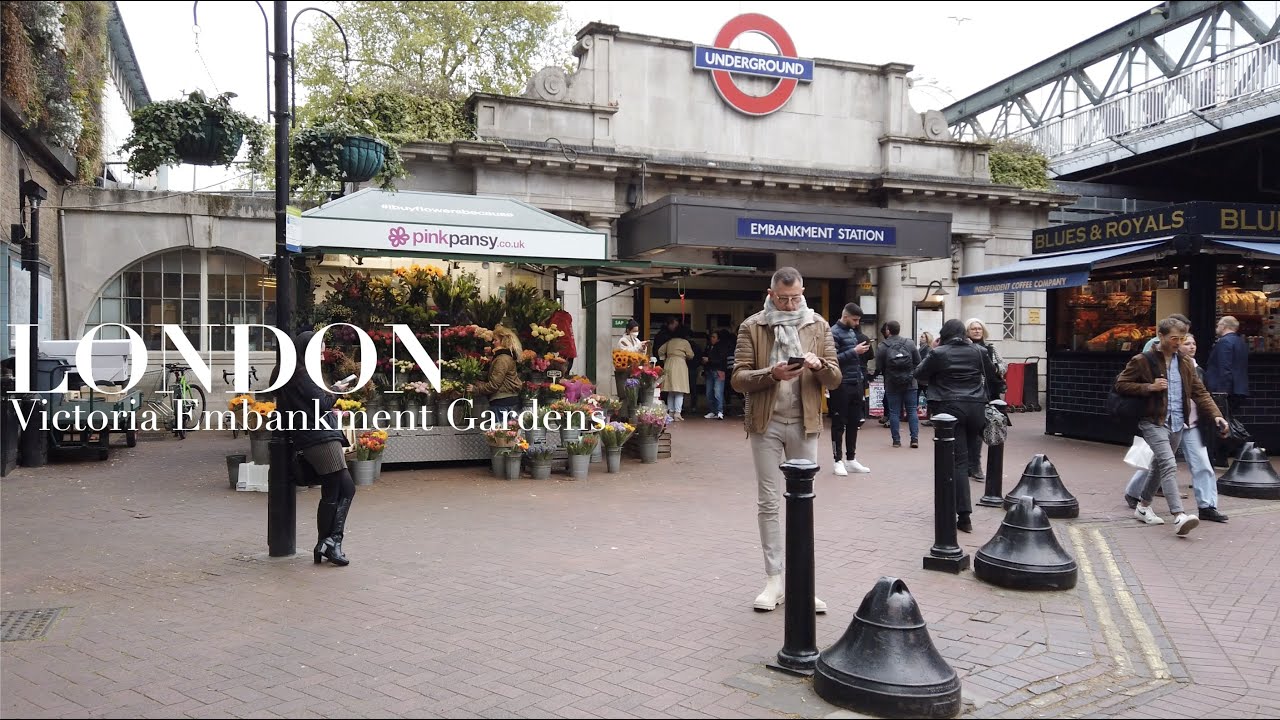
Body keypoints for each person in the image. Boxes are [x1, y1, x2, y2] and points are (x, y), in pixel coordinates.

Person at [732, 267, 841, 613]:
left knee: (803, 502)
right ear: (770, 292)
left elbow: (836, 378)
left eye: (795, 297)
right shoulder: (753, 325)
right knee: (768, 502)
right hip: (767, 423)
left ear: (803, 291)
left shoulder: (819, 325)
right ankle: (773, 580)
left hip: (805, 423)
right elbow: (738, 377)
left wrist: (819, 365)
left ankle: (802, 583)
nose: (791, 304)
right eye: (783, 298)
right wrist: (772, 373)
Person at [1116, 316, 1228, 537]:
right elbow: (1121, 384)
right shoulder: (1143, 360)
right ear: (1161, 335)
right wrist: (1149, 387)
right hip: (1153, 421)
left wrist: (1217, 415)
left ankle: (1143, 506)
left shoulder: (1185, 362)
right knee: (1169, 464)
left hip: (1178, 422)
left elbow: (1200, 392)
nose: (1178, 342)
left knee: (1159, 466)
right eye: (1174, 338)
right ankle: (1179, 515)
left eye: (1182, 338)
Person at [273, 331, 356, 566]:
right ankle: (331, 543)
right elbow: (322, 404)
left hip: (315, 435)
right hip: (319, 438)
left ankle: (325, 544)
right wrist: (339, 390)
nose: (323, 351)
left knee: (332, 490)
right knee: (347, 489)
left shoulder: (296, 372)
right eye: (319, 347)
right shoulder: (301, 374)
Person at [914, 319, 1003, 534]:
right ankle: (974, 482)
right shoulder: (979, 351)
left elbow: (919, 374)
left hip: (949, 409)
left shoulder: (939, 353)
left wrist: (933, 351)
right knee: (971, 457)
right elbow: (993, 378)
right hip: (976, 409)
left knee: (958, 463)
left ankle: (963, 516)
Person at [830, 303, 873, 476]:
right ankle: (837, 460)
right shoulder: (833, 332)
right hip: (841, 384)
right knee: (839, 423)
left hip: (855, 382)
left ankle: (851, 459)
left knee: (854, 422)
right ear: (846, 316)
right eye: (854, 320)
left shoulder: (851, 332)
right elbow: (832, 359)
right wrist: (855, 351)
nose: (857, 323)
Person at [963, 318, 1007, 481]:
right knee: (969, 432)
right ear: (967, 331)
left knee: (980, 431)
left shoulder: (990, 348)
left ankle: (974, 466)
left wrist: (994, 368)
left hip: (987, 394)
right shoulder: (964, 348)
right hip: (968, 394)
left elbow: (1003, 365)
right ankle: (969, 465)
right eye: (973, 328)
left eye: (979, 328)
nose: (976, 331)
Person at [874, 320, 921, 448]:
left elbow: (878, 366)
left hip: (891, 382)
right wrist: (911, 374)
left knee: (894, 412)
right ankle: (914, 439)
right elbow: (918, 362)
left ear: (888, 330)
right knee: (912, 411)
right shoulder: (909, 343)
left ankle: (896, 441)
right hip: (910, 383)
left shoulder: (882, 346)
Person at [469, 325, 523, 421]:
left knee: (501, 433)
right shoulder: (506, 357)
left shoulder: (501, 359)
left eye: (495, 340)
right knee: (509, 432)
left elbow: (494, 385)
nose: (493, 343)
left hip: (502, 402)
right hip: (508, 400)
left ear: (504, 341)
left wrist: (476, 389)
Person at [1206, 315, 1249, 415]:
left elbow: (1224, 367)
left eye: (1218, 325)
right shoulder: (1241, 342)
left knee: (1221, 420)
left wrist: (1221, 392)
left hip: (1226, 390)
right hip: (1239, 389)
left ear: (1224, 326)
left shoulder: (1224, 342)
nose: (1217, 328)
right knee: (1229, 418)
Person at [658, 328, 694, 421]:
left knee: (671, 390)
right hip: (680, 364)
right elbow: (691, 355)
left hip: (669, 363)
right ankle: (677, 413)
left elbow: (660, 351)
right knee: (679, 390)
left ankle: (671, 412)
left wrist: (664, 359)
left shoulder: (669, 342)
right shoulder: (685, 342)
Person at [701, 329, 732, 420]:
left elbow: (722, 360)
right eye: (711, 337)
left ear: (718, 339)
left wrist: (709, 360)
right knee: (709, 392)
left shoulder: (722, 347)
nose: (712, 338)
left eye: (714, 337)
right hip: (709, 371)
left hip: (719, 371)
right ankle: (712, 411)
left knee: (718, 392)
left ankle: (719, 411)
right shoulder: (709, 347)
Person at [548, 303, 577, 375]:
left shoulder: (557, 318)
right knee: (565, 374)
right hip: (570, 349)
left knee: (560, 374)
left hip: (563, 351)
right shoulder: (566, 315)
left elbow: (553, 332)